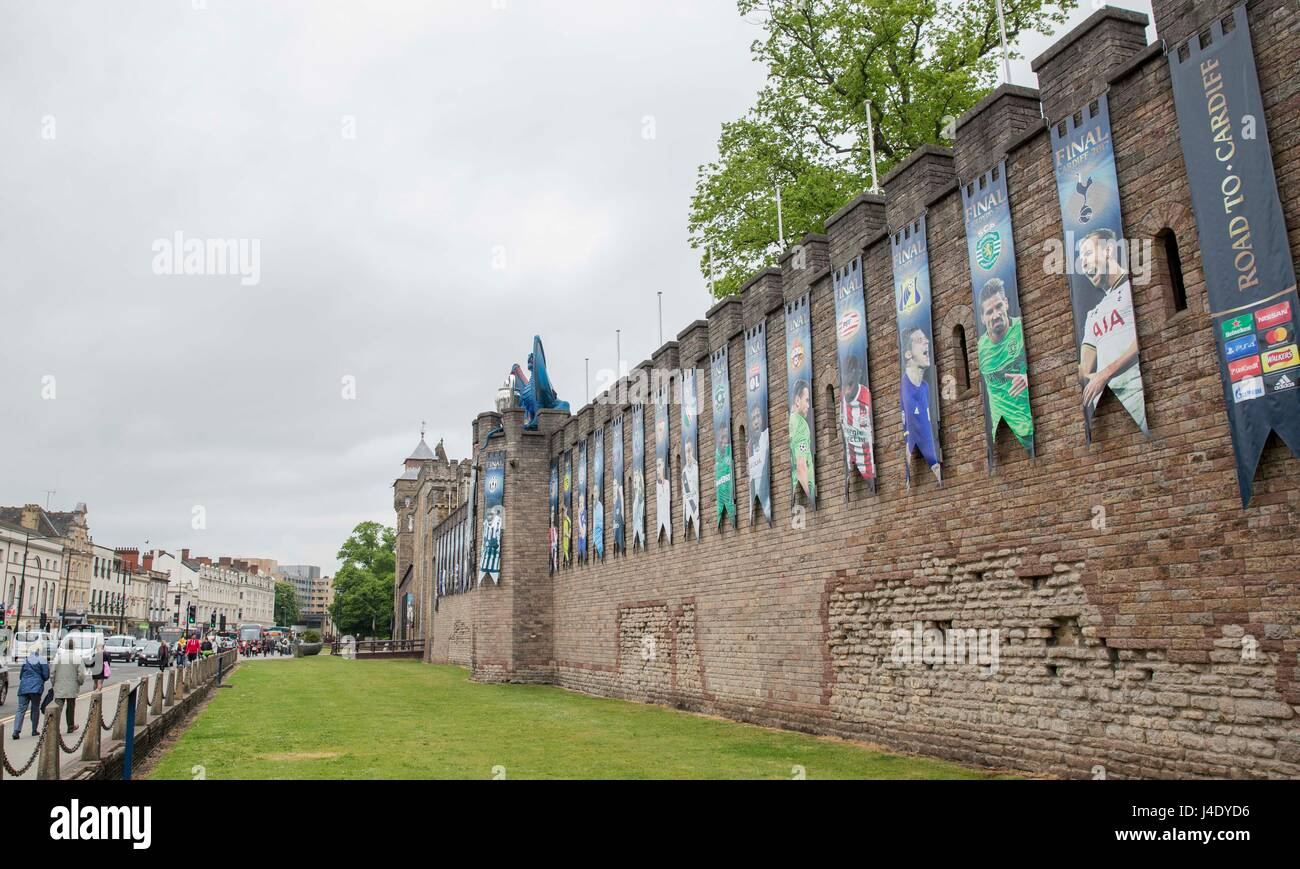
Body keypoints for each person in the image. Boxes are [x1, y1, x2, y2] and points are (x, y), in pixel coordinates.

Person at [1075, 227, 1146, 431]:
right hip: (1109, 407)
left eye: (1088, 253)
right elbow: (1085, 369)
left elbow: (1142, 339)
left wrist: (1105, 373)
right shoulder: (1093, 314)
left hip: (1140, 397)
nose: (1084, 262)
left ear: (1108, 251)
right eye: (1081, 258)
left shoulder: (1135, 288)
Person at [976, 278, 1034, 450]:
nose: (996, 315)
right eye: (989, 312)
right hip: (1002, 436)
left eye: (999, 306)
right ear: (982, 318)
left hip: (1032, 431)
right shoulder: (980, 349)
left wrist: (1027, 378)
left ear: (1006, 304)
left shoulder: (1022, 330)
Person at [900, 327, 943, 484]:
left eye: (926, 338)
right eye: (919, 340)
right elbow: (910, 427)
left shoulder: (925, 387)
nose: (927, 341)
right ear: (908, 354)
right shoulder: (905, 386)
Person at [51, 637, 87, 734]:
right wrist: (80, 682)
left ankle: (54, 727)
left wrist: (54, 683)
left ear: (66, 646)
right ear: (74, 647)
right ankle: (70, 727)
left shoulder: (58, 657)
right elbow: (82, 674)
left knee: (58, 707)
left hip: (60, 685)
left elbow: (52, 673)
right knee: (71, 707)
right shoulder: (77, 658)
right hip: (72, 686)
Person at [12, 645, 49, 739]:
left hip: (24, 687)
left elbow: (21, 675)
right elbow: (46, 675)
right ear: (39, 650)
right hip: (36, 688)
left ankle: (16, 731)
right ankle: (34, 730)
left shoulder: (26, 660)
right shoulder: (42, 660)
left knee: (21, 709)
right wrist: (40, 679)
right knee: (35, 708)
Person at [788, 379, 816, 502]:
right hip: (806, 489)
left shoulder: (791, 421)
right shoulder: (800, 425)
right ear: (797, 400)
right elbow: (801, 466)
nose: (809, 406)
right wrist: (810, 496)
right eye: (807, 400)